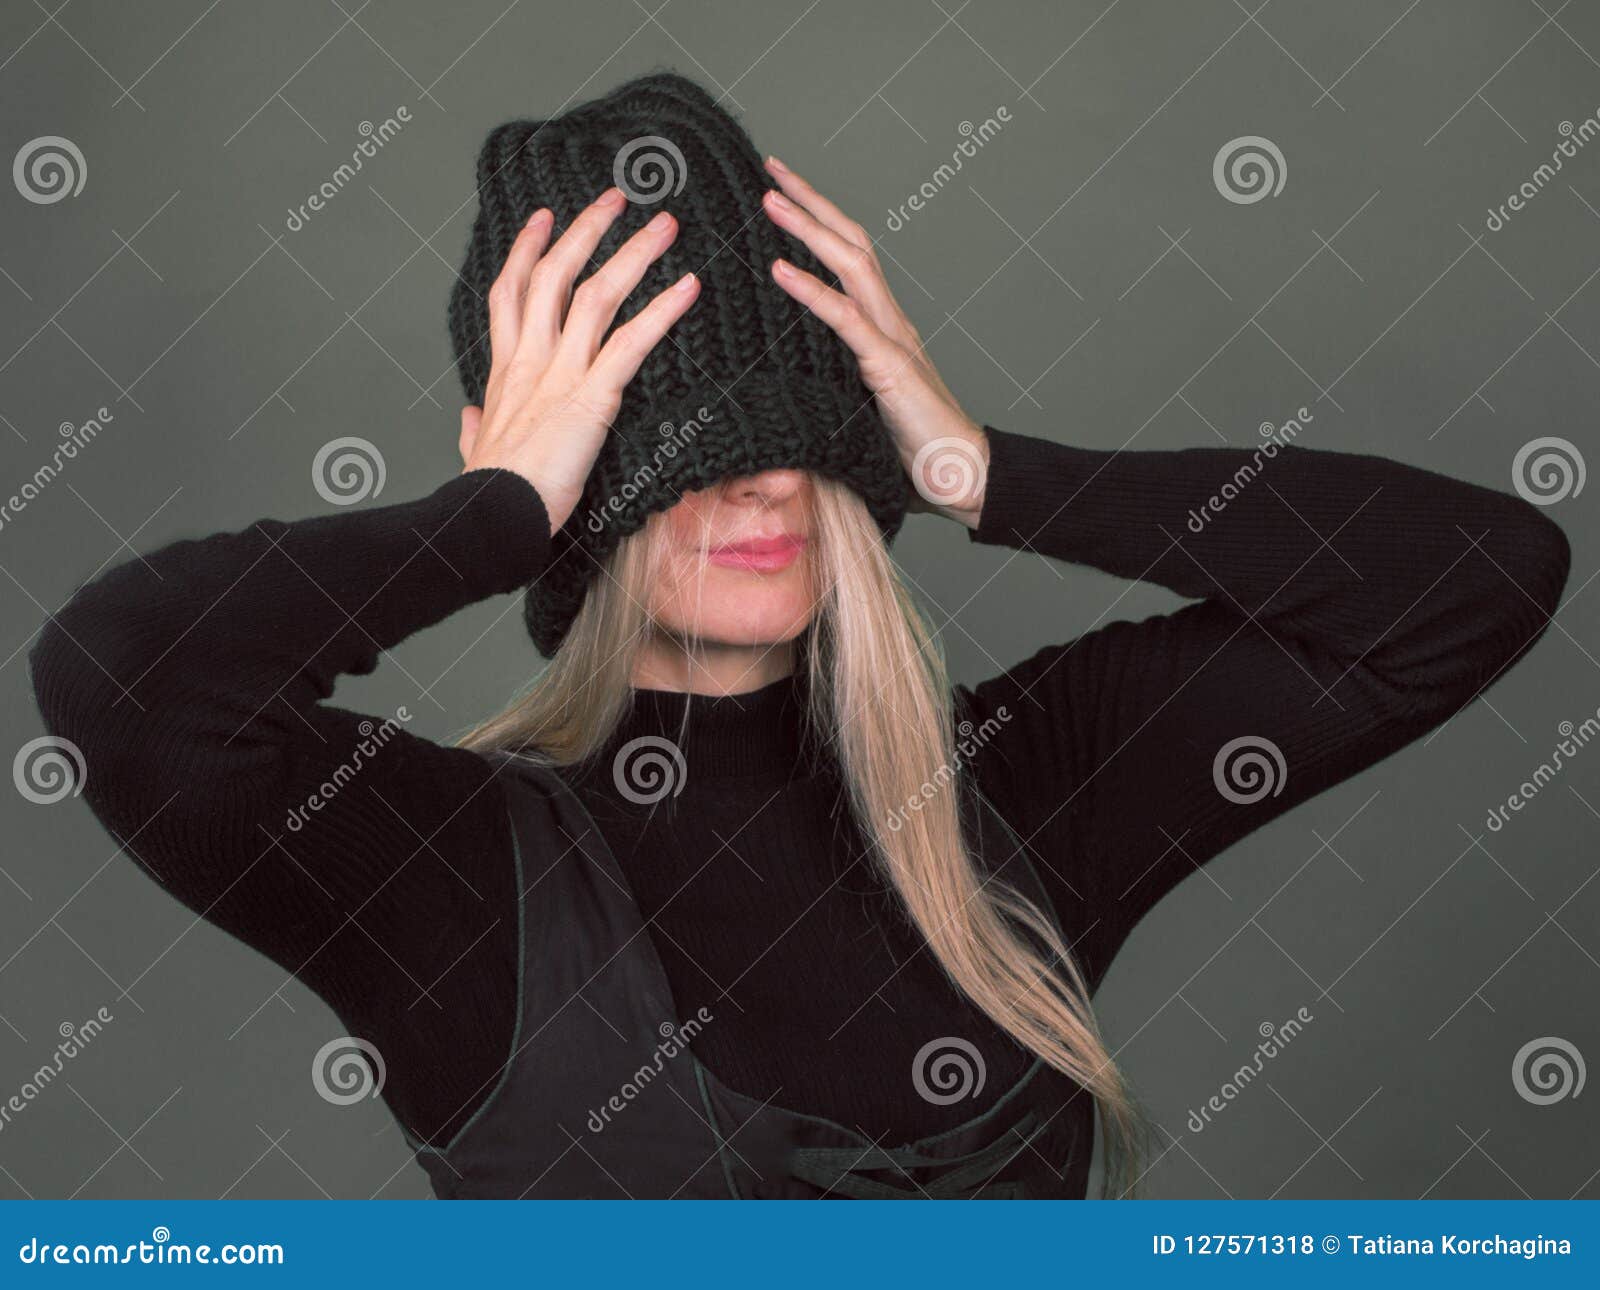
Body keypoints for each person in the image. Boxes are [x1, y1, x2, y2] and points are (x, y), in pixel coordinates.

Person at [28, 73, 1569, 1198]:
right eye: (670, 441)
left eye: (791, 423)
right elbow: (123, 681)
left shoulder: (1019, 792)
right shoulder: (449, 879)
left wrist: (985, 472)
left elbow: (1478, 580)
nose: (758, 478)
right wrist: (495, 510)